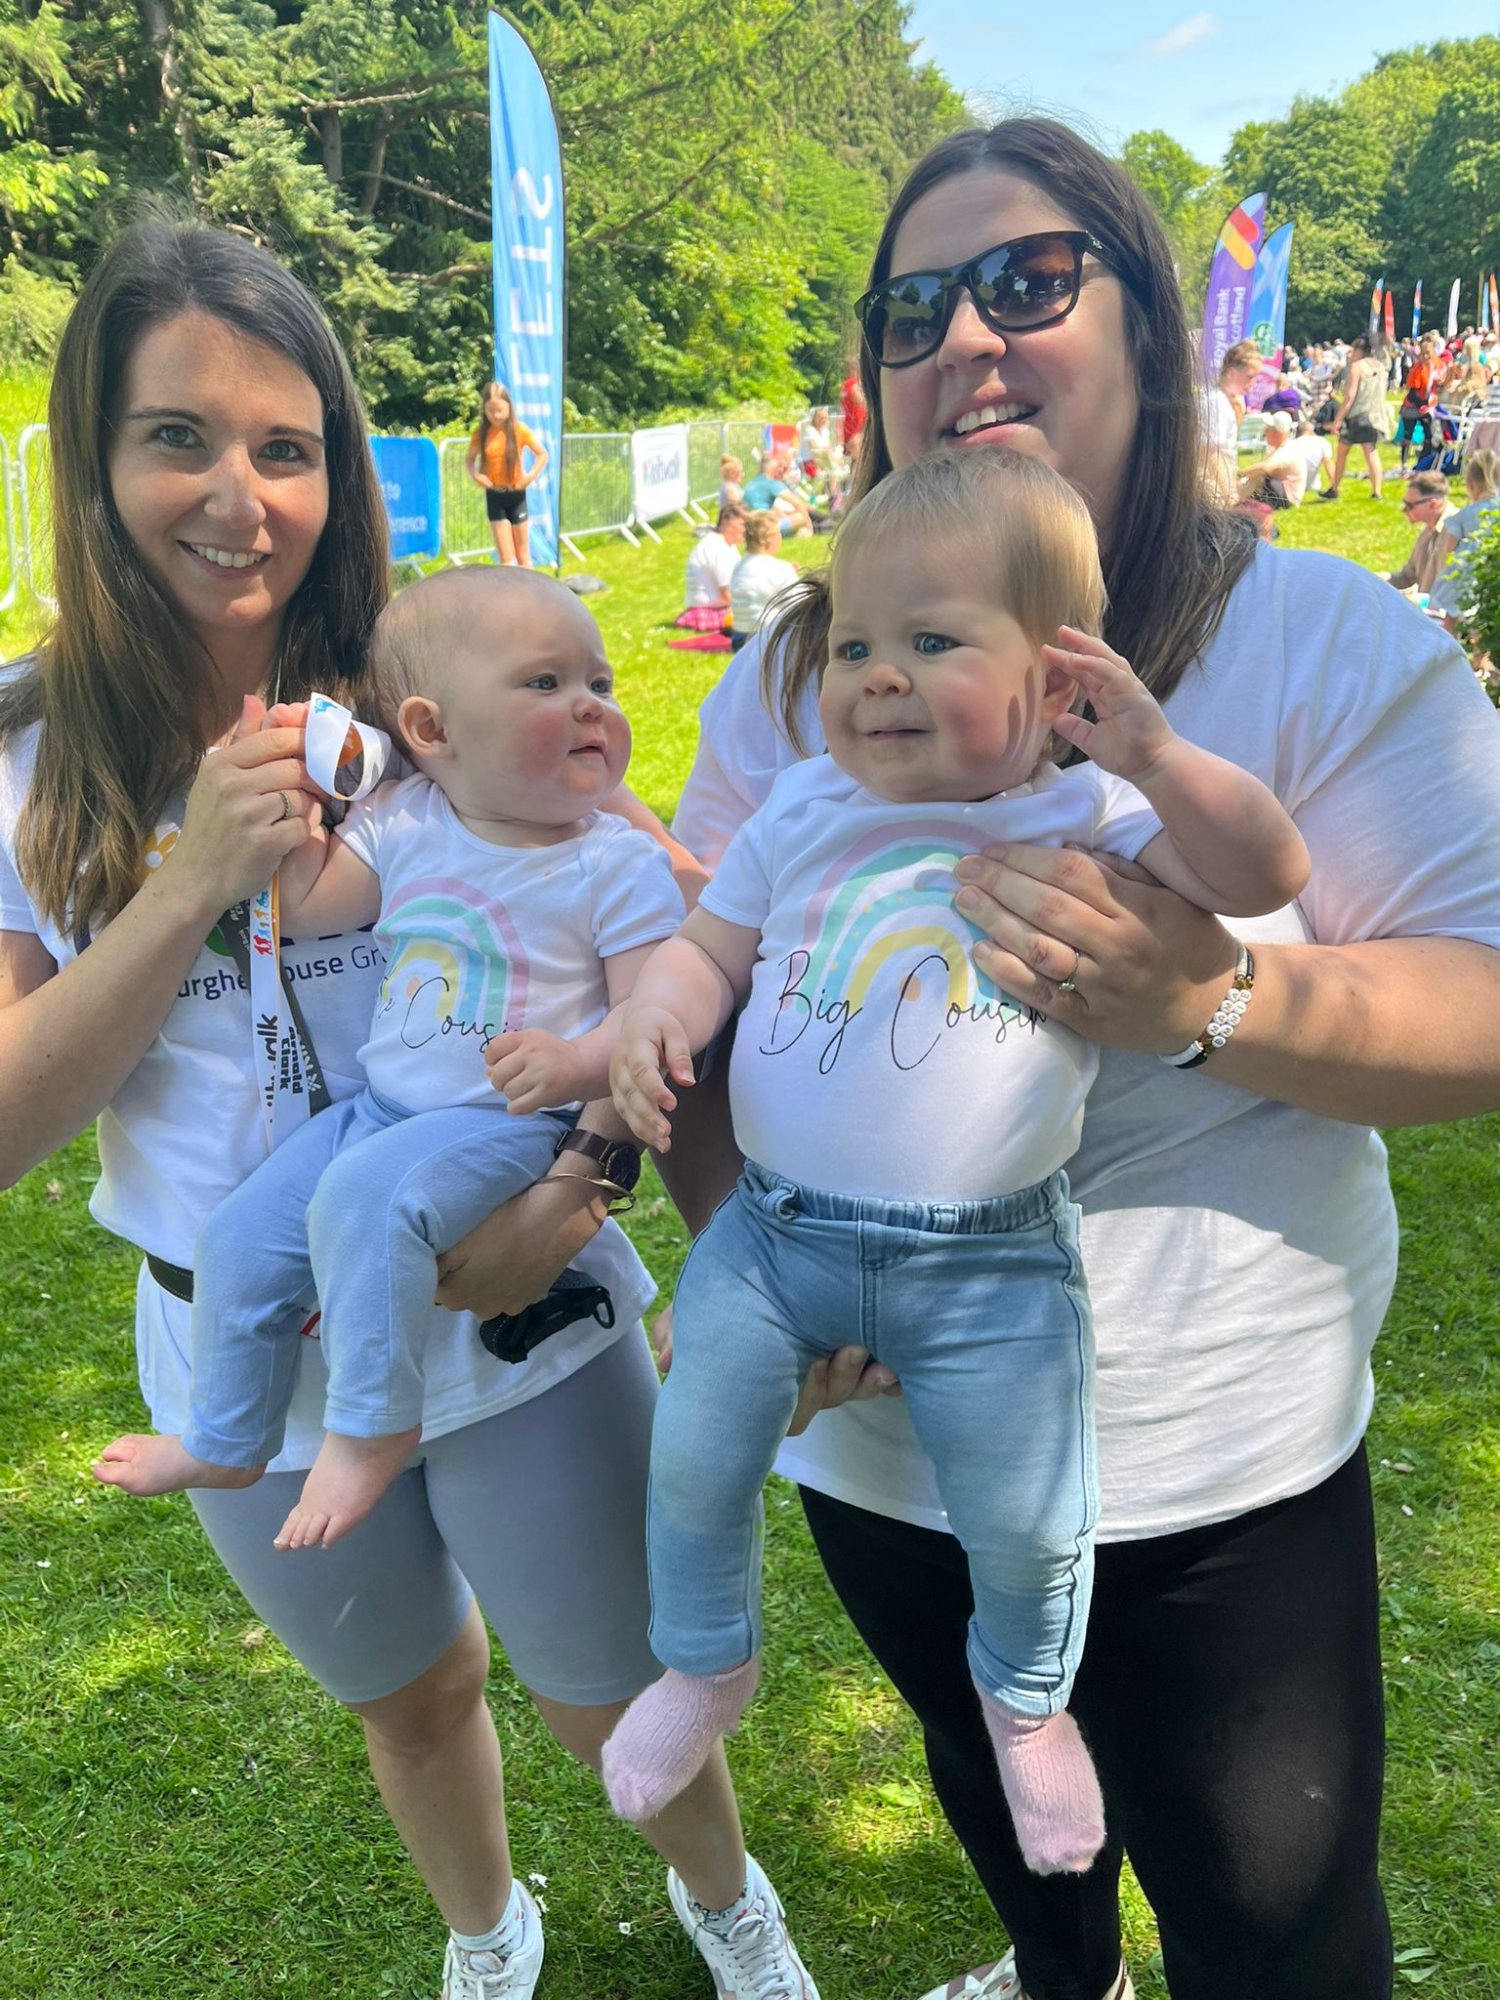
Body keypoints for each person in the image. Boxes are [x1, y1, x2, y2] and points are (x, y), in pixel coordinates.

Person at [664, 116, 1500, 2000]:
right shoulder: (810, 673)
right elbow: (713, 994)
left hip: (1215, 1463)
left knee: (1275, 1932)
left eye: (1030, 281)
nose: (965, 338)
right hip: (885, 1452)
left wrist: (1212, 1004)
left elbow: (1484, 1005)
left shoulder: (1320, 640)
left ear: (1146, 330)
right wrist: (758, 1251)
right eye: (911, 308)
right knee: (1010, 1814)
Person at [0, 221, 818, 2000]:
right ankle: (487, 1932)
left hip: (516, 1297)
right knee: (414, 1690)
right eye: (176, 438)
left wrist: (589, 1180)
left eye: (285, 448)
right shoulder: (24, 756)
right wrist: (184, 884)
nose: (239, 494)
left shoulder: (438, 696)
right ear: (94, 458)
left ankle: (726, 1903)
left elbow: (654, 950)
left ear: (338, 470)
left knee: (609, 1682)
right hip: (247, 1340)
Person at [598, 447, 1306, 1881]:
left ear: (1058, 688)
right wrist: (654, 1022)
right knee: (692, 1456)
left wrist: (1156, 755)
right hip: (771, 1236)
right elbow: (707, 951)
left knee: (1032, 1514)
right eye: (854, 641)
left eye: (932, 641)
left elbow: (1265, 877)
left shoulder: (1080, 816)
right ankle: (703, 1666)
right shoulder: (802, 807)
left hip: (990, 1266)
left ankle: (1026, 1703)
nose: (877, 674)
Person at [93, 567, 685, 1551]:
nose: (589, 703)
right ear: (433, 729)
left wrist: (578, 1066)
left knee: (367, 1200)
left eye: (601, 683)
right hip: (385, 1110)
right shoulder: (406, 825)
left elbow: (655, 1013)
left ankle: (372, 1423)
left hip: (508, 1125)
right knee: (238, 1233)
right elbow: (316, 901)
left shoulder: (613, 862)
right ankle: (230, 1434)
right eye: (545, 683)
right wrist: (286, 808)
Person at [465, 381, 549, 568]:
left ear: (509, 407)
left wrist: (529, 477)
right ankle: (509, 595)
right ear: (484, 410)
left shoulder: (520, 431)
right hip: (495, 495)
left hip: (517, 494)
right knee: (506, 556)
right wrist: (477, 476)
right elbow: (469, 460)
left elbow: (542, 454)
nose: (495, 415)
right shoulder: (481, 434)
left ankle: (530, 594)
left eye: (500, 409)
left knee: (523, 555)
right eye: (490, 410)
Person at [1428, 448, 1500, 635]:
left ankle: (1448, 651)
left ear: (1471, 485)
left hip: (1466, 575)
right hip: (1493, 572)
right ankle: (1481, 657)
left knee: (1451, 619)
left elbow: (1450, 551)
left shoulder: (1464, 515)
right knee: (1484, 623)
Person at [1319, 335, 1387, 500]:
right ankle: (1376, 491)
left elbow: (1349, 396)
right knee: (1371, 451)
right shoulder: (1380, 366)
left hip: (1357, 415)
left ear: (1359, 350)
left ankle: (1334, 488)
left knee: (1342, 452)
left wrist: (1338, 419)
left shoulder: (1357, 367)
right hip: (1375, 415)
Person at [1197, 337, 1259, 501]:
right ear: (1232, 373)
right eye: (1250, 377)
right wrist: (1230, 496)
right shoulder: (1215, 402)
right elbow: (1211, 454)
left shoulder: (1222, 400)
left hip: (1217, 485)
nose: (1252, 384)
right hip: (1210, 490)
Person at [728, 512, 799, 654]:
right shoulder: (780, 569)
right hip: (768, 637)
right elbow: (797, 603)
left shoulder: (738, 566)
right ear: (769, 538)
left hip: (739, 637)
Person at [1386, 471, 1459, 598]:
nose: (1403, 510)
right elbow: (1407, 577)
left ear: (1433, 504)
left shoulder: (1456, 533)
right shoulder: (1428, 528)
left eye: (1409, 505)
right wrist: (1371, 579)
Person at [681, 502, 746, 626]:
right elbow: (727, 594)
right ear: (727, 523)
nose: (747, 530)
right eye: (743, 525)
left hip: (718, 606)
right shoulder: (717, 547)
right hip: (710, 611)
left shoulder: (726, 544)